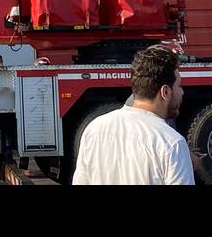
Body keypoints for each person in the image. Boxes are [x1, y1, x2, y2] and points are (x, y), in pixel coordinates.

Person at [72, 45, 193, 185]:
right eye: (179, 86)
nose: (182, 92)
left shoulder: (94, 129)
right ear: (165, 92)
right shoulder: (172, 143)